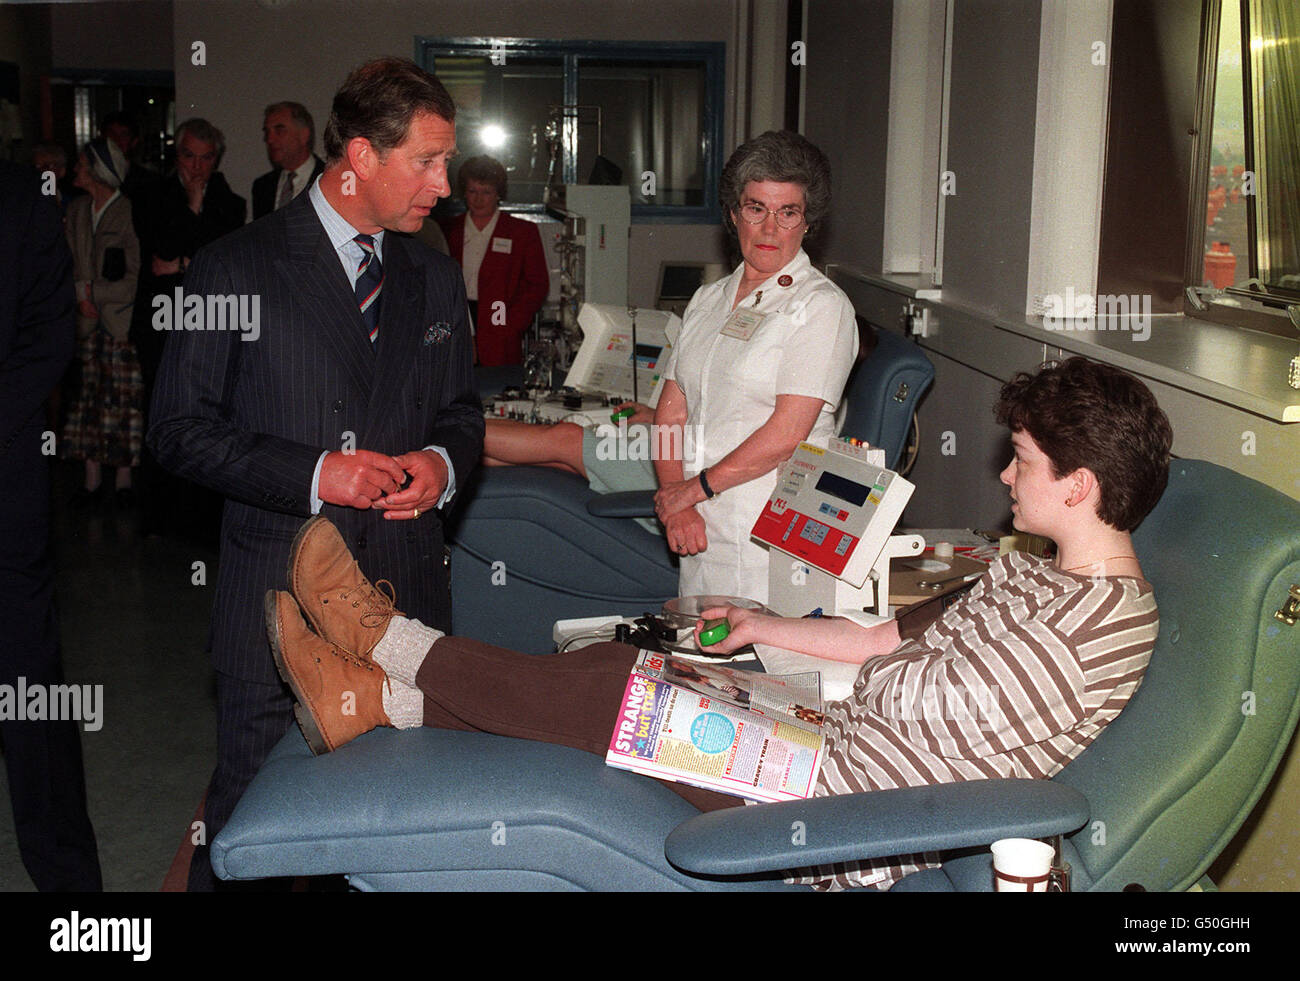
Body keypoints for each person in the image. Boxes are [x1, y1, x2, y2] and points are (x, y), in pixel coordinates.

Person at [266, 356, 1171, 891]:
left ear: (1079, 484)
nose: (1006, 478)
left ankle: (387, 640)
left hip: (840, 814)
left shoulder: (1098, 627)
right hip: (824, 747)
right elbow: (880, 644)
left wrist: (792, 696)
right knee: (626, 664)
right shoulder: (1030, 574)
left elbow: (933, 706)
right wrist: (765, 625)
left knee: (621, 688)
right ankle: (376, 700)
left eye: (1021, 461)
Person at [147, 57, 483, 890]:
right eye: (427, 162)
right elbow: (177, 432)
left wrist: (442, 466)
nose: (444, 185)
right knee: (248, 841)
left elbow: (462, 413)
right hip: (276, 601)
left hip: (406, 602)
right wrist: (316, 472)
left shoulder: (434, 274)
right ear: (360, 156)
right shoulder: (236, 267)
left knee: (391, 846)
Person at [653, 131, 858, 604]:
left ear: (808, 224)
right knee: (700, 663)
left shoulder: (821, 306)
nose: (770, 229)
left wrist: (693, 490)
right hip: (698, 523)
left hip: (771, 528)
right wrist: (674, 499)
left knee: (766, 669)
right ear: (733, 214)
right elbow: (670, 413)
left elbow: (788, 432)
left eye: (788, 212)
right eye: (756, 208)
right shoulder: (708, 299)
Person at [0, 160, 102, 890]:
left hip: (4, 491)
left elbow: (49, 336)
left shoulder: (20, 200)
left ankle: (72, 894)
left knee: (29, 696)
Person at [130, 118, 246, 537]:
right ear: (176, 155)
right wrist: (191, 217)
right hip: (162, 322)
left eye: (205, 158)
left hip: (210, 323)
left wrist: (181, 260)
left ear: (216, 160)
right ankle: (161, 516)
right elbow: (156, 252)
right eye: (188, 156)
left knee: (207, 417)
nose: (196, 167)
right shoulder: (151, 194)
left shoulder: (230, 201)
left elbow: (220, 259)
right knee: (162, 412)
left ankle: (200, 520)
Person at [60, 138, 143, 507]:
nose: (75, 170)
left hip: (117, 325)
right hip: (84, 325)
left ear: (97, 171)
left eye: (81, 164)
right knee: (87, 402)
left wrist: (94, 293)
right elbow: (66, 260)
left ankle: (124, 481)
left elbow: (134, 276)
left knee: (122, 403)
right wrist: (79, 294)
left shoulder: (128, 212)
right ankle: (91, 480)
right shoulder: (77, 210)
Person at [440, 155, 549, 366]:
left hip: (498, 321)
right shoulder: (446, 230)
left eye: (486, 192)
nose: (479, 199)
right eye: (473, 191)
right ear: (464, 192)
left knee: (497, 389)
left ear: (498, 194)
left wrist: (511, 324)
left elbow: (537, 285)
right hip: (456, 321)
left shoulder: (522, 232)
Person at [251, 101, 325, 220]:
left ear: (304, 135)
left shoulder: (328, 179)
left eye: (279, 130)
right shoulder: (262, 186)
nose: (270, 139)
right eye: (267, 132)